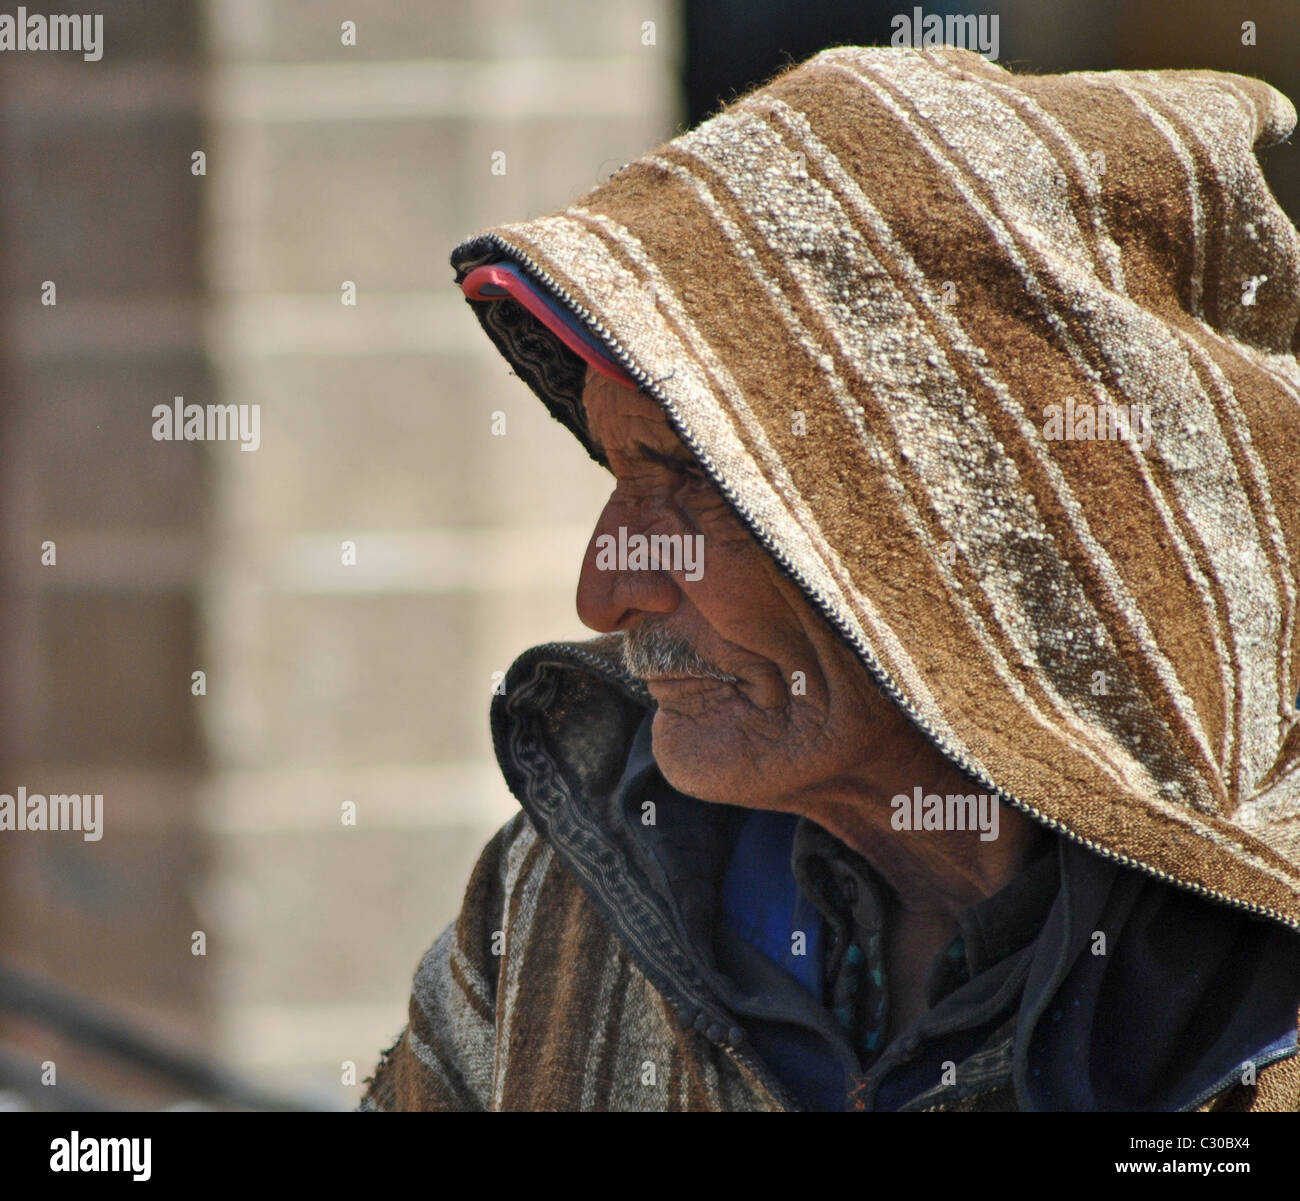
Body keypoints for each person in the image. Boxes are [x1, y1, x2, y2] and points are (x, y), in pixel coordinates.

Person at [360, 44, 1300, 1111]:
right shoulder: (560, 910)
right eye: (619, 472)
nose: (605, 595)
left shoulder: (1259, 1015)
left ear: (975, 536)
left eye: (687, 482)